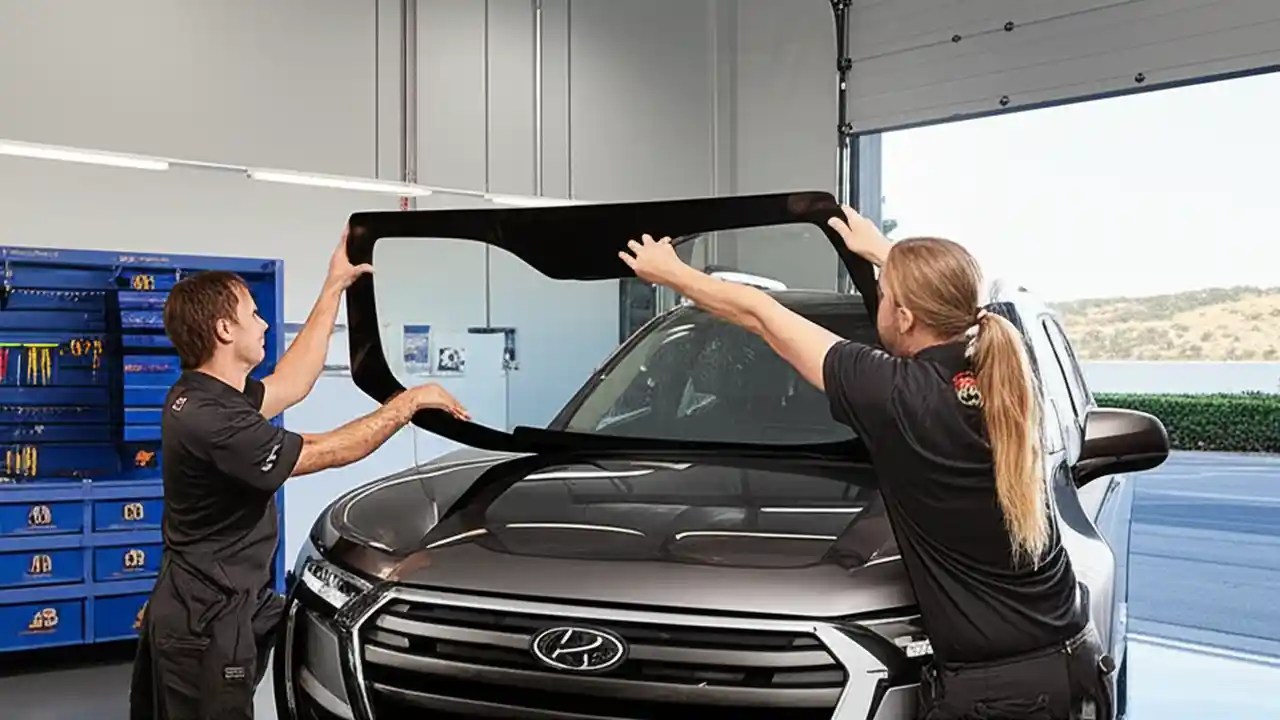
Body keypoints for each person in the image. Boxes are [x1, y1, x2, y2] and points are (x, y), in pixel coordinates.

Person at [618, 208, 1113, 720]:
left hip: (1002, 697)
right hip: (1073, 660)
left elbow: (763, 315)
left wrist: (669, 272)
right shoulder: (1003, 363)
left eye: (888, 295)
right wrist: (884, 254)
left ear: (903, 317)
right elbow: (962, 301)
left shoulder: (900, 394)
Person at [129, 230, 469, 720]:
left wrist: (333, 288)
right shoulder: (211, 418)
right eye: (253, 314)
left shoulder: (206, 394)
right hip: (205, 622)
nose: (264, 323)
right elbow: (328, 450)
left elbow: (291, 383)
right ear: (226, 330)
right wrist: (409, 403)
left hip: (211, 602)